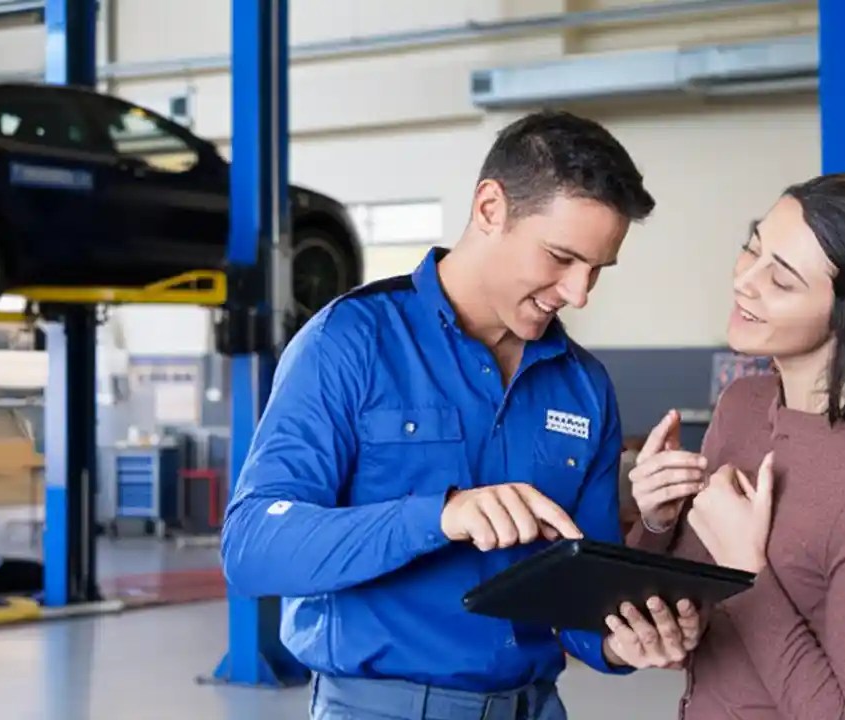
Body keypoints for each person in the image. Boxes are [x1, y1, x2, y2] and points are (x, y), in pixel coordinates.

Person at [219, 110, 702, 720]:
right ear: (490, 208)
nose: (578, 293)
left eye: (597, 269)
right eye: (560, 257)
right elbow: (253, 545)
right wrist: (440, 516)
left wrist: (621, 639)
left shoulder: (584, 387)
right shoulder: (350, 342)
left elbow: (581, 590)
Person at [613, 172, 845, 719]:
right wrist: (657, 520)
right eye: (752, 249)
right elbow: (680, 608)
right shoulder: (741, 406)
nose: (746, 281)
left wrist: (749, 572)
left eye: (783, 280)